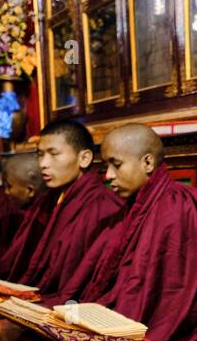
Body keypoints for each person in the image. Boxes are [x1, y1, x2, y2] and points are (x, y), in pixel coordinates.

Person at [52, 123, 197, 341]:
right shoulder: (131, 207)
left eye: (116, 165)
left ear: (147, 162)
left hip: (163, 327)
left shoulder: (181, 204)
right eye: (106, 166)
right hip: (124, 316)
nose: (108, 175)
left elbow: (177, 292)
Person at [9, 119, 124, 296]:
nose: (43, 164)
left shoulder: (104, 207)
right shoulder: (48, 201)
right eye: (40, 154)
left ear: (84, 158)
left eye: (53, 154)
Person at [0, 153, 51, 280]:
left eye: (9, 186)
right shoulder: (22, 215)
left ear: (30, 190)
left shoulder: (43, 218)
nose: (6, 192)